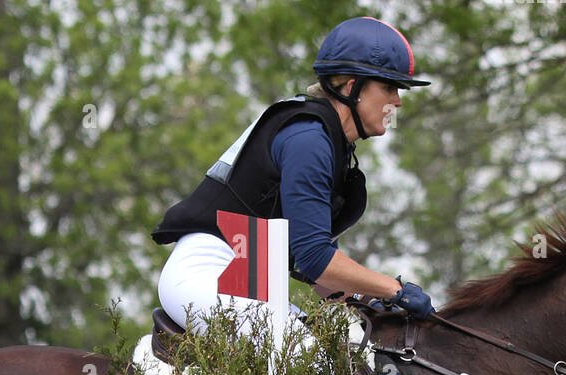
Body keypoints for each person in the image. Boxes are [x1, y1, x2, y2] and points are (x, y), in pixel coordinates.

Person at [151, 17, 436, 337]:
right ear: (353, 87)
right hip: (208, 272)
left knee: (351, 344)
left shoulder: (331, 144)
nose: (397, 100)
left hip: (249, 278)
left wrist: (369, 299)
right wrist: (394, 289)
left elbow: (312, 273)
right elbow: (316, 258)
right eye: (388, 87)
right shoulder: (309, 139)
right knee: (308, 359)